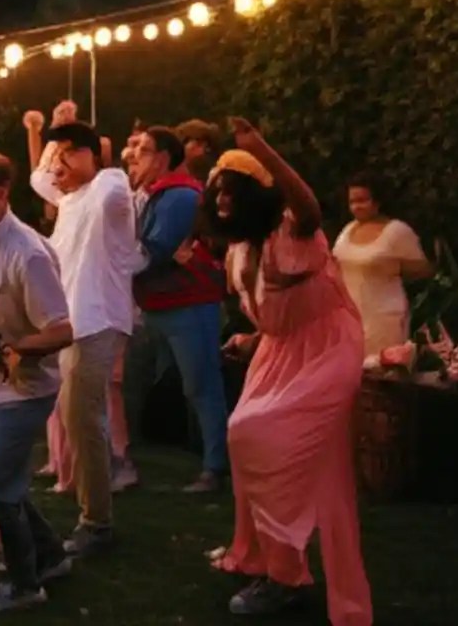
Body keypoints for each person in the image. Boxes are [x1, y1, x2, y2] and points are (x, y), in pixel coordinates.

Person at [204, 118, 371, 625]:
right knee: (246, 442)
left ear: (257, 196)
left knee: (257, 432)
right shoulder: (241, 248)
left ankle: (287, 576)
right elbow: (277, 309)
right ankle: (278, 566)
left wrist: (261, 150)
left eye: (232, 191)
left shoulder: (295, 230)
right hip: (278, 350)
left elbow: (309, 205)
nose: (221, 200)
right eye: (217, 191)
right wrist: (254, 337)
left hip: (328, 347)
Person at [0, 151, 74, 612]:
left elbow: (63, 329)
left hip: (25, 391)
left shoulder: (29, 253)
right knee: (1, 483)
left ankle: (25, 585)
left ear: (2, 192)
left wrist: (20, 349)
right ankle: (51, 557)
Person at [25, 106, 137, 557]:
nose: (60, 163)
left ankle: (97, 523)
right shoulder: (69, 201)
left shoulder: (112, 185)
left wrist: (83, 150)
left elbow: (104, 186)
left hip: (99, 320)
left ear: (95, 156)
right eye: (59, 155)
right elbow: (38, 178)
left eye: (72, 153)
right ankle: (95, 508)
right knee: (77, 417)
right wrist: (46, 137)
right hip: (72, 324)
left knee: (82, 416)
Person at [124, 127, 229, 492]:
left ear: (164, 158)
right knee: (177, 384)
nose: (135, 156)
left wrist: (110, 261)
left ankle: (215, 465)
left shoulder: (180, 196)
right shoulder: (158, 194)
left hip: (186, 304)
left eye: (144, 150)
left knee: (201, 384)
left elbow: (153, 249)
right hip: (161, 303)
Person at [332, 172, 433, 356]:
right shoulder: (347, 230)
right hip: (349, 319)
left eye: (362, 200)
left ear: (378, 201)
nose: (356, 207)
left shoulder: (397, 231)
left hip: (384, 318)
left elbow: (421, 270)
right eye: (352, 202)